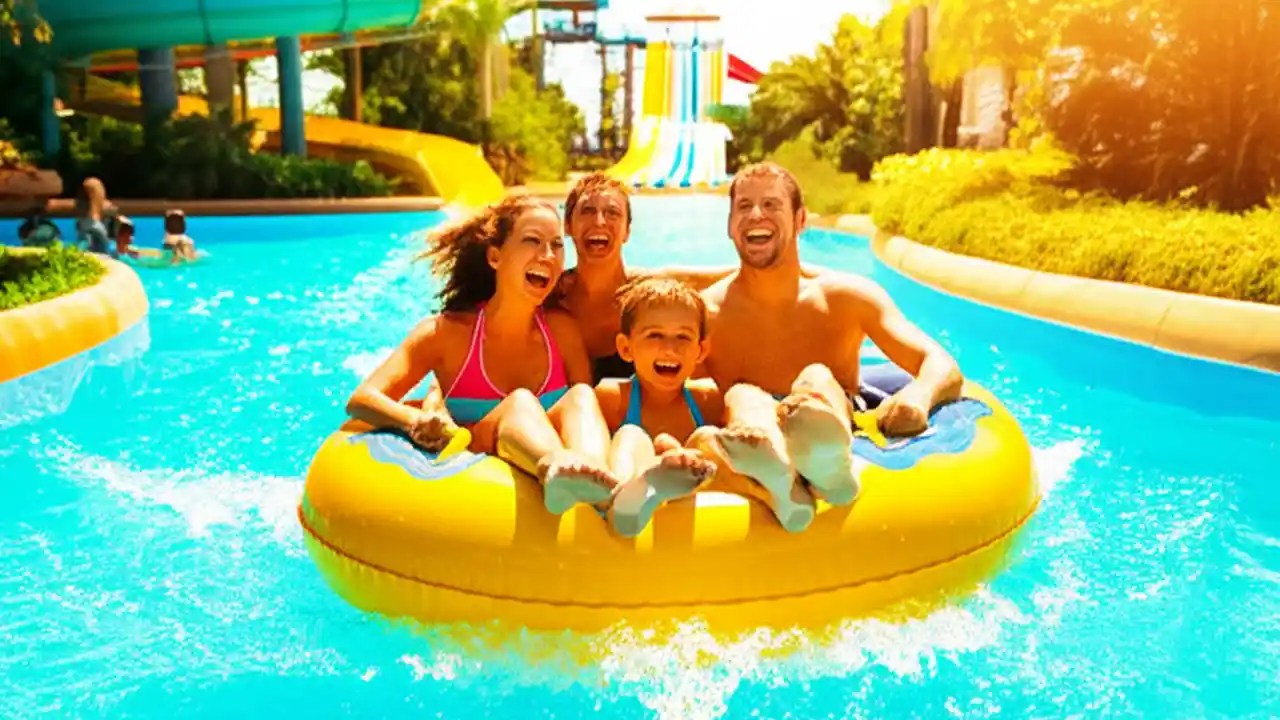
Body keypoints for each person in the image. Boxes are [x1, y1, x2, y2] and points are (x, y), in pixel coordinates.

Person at [698, 161, 965, 529]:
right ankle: (778, 467)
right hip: (750, 426)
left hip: (834, 413)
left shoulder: (845, 298)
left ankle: (822, 457)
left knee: (818, 378)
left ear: (800, 220)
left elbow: (939, 363)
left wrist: (917, 397)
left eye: (771, 204)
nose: (756, 214)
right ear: (730, 225)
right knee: (743, 395)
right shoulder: (706, 314)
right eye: (744, 206)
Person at [345, 194, 624, 515]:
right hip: (482, 482)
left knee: (581, 396)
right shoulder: (446, 334)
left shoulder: (562, 330)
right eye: (532, 240)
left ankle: (600, 487)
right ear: (495, 256)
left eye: (557, 245)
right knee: (520, 403)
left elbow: (583, 417)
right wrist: (416, 420)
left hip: (563, 473)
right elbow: (362, 399)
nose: (548, 255)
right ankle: (557, 469)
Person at [558, 172, 825, 382]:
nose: (600, 222)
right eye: (587, 211)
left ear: (627, 231)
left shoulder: (649, 289)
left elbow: (738, 276)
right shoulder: (553, 294)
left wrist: (811, 276)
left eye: (613, 213)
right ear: (568, 226)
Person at [591, 277, 721, 537]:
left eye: (683, 336)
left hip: (687, 519)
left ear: (701, 350)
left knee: (707, 440)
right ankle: (629, 495)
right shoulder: (612, 398)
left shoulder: (708, 400)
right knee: (630, 435)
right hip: (622, 501)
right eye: (654, 335)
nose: (670, 348)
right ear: (625, 348)